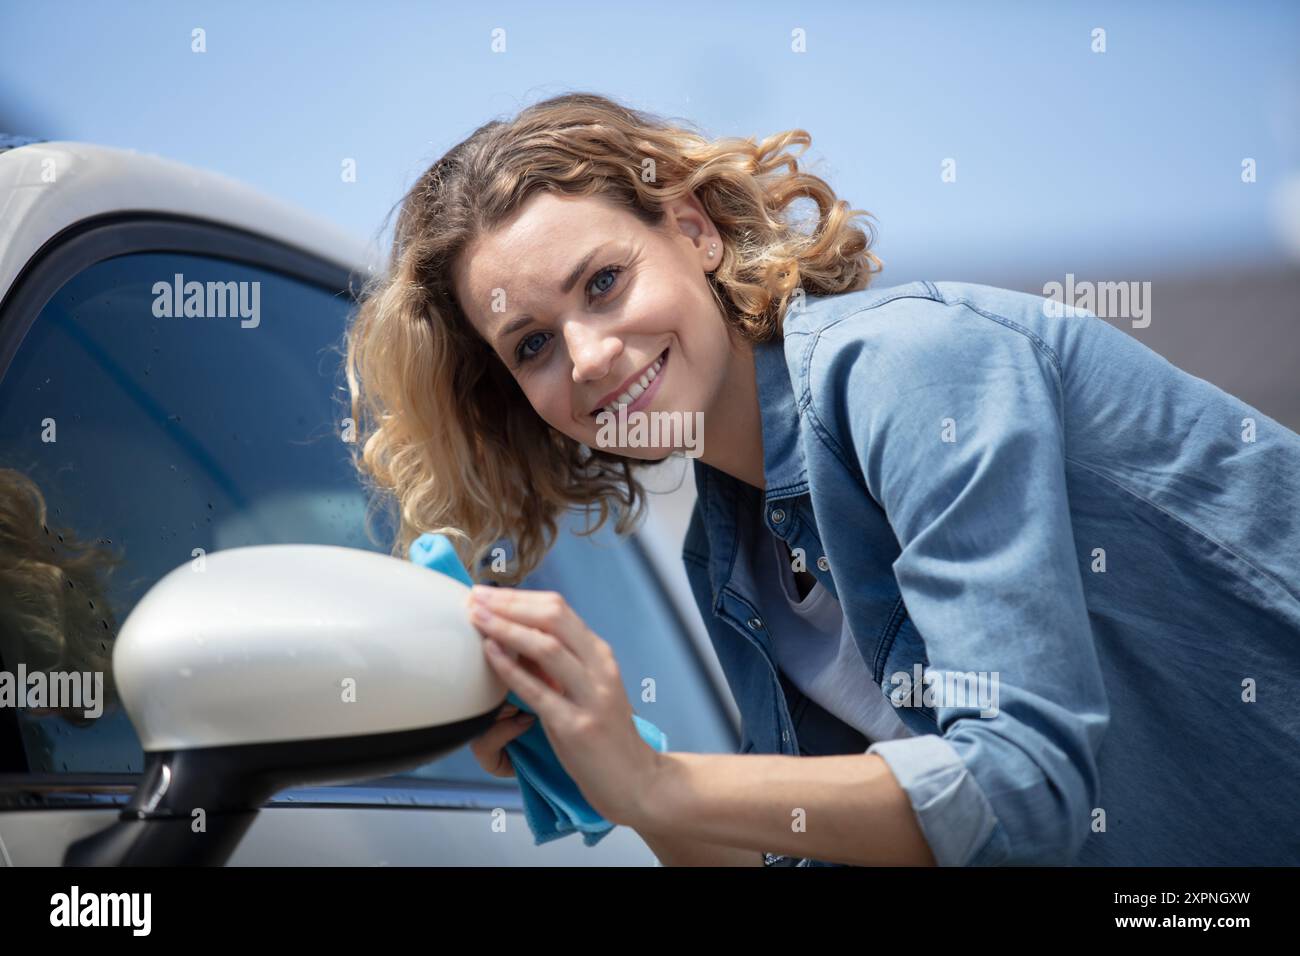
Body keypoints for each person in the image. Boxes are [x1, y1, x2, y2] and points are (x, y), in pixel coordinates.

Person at [342, 92, 1300, 866]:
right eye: (533, 344)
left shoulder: (912, 366)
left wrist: (656, 780)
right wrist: (617, 788)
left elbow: (1026, 787)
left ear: (694, 230)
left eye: (603, 283)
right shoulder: (727, 552)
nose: (588, 357)